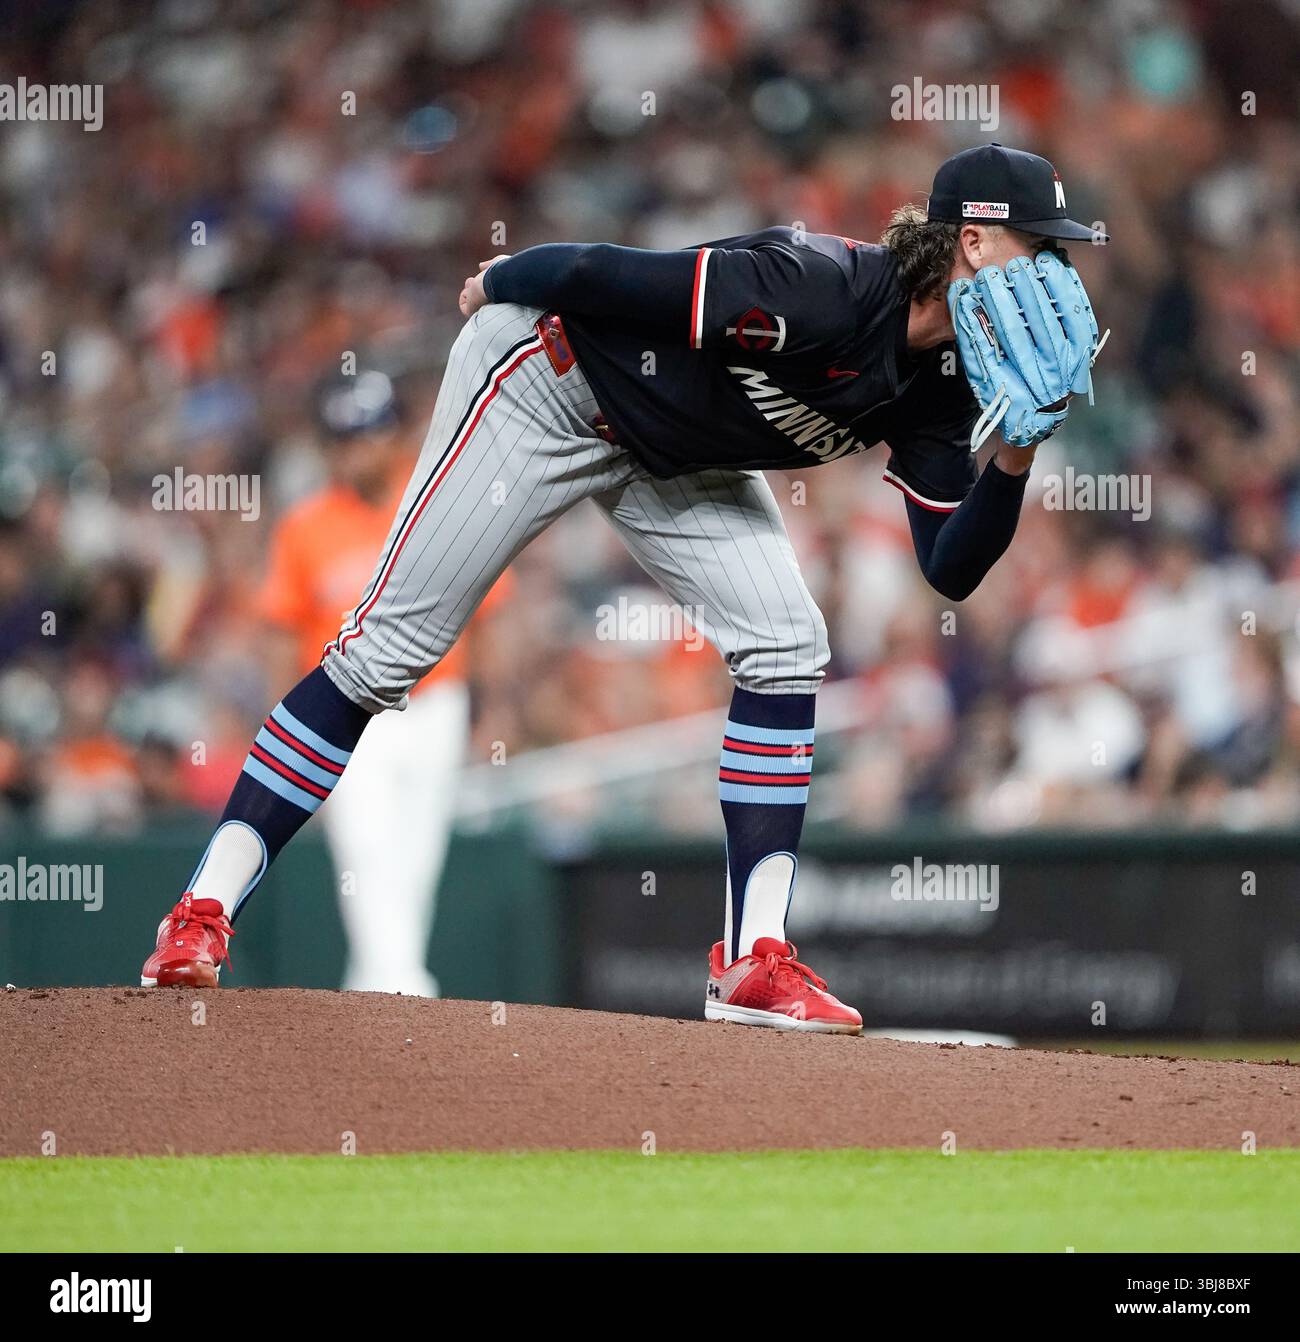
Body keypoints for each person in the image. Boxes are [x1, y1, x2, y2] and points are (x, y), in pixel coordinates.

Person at [141, 144, 1105, 1035]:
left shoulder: (948, 382)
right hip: (549, 382)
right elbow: (601, 273)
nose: (1059, 278)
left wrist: (1014, 453)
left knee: (787, 645)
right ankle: (201, 912)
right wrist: (496, 283)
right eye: (1045, 249)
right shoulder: (819, 286)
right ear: (971, 242)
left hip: (675, 456)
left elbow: (951, 568)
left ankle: (754, 962)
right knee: (387, 653)